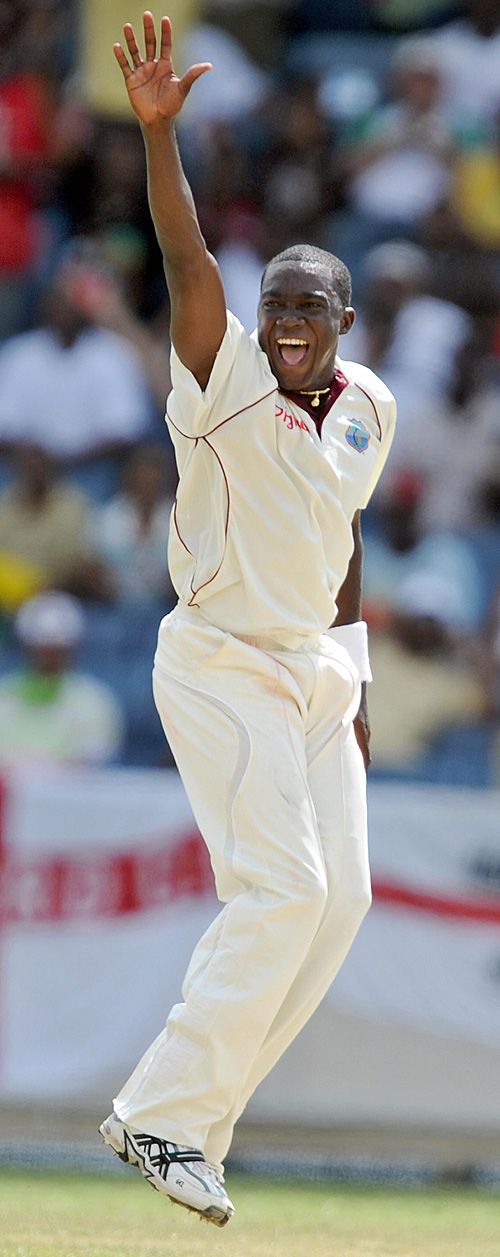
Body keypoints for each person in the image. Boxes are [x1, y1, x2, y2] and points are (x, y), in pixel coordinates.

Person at [99, 13, 396, 1228]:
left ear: (340, 323)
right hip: (219, 657)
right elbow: (184, 265)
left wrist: (356, 682)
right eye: (272, 302)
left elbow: (342, 545)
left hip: (316, 670)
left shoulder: (367, 406)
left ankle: (195, 1127)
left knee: (342, 900)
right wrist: (162, 140)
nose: (282, 323)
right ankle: (161, 1114)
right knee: (281, 890)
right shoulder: (219, 375)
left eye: (304, 310)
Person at [0, 591, 124, 766]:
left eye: (57, 650)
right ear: (26, 648)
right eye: (41, 649)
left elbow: (95, 759)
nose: (49, 657)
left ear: (72, 650)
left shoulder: (94, 701)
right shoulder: (5, 694)